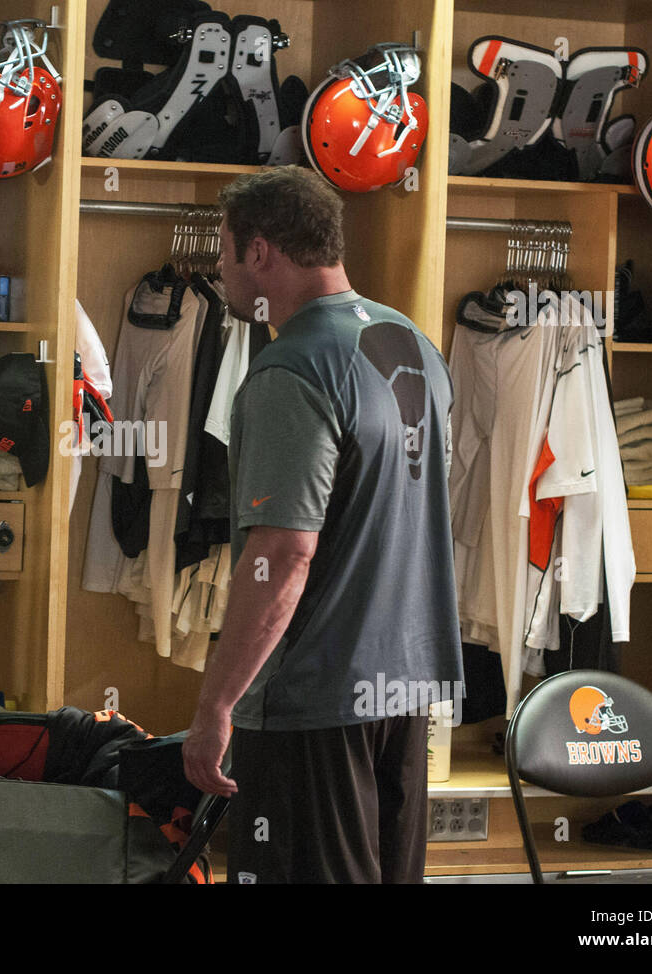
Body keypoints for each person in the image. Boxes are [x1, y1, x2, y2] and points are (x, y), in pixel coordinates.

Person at [182, 167, 463, 883]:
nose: (220, 269)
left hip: (315, 702)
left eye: (224, 251)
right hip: (404, 691)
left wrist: (217, 703)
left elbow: (284, 554)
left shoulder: (291, 369)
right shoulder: (415, 345)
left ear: (261, 252)